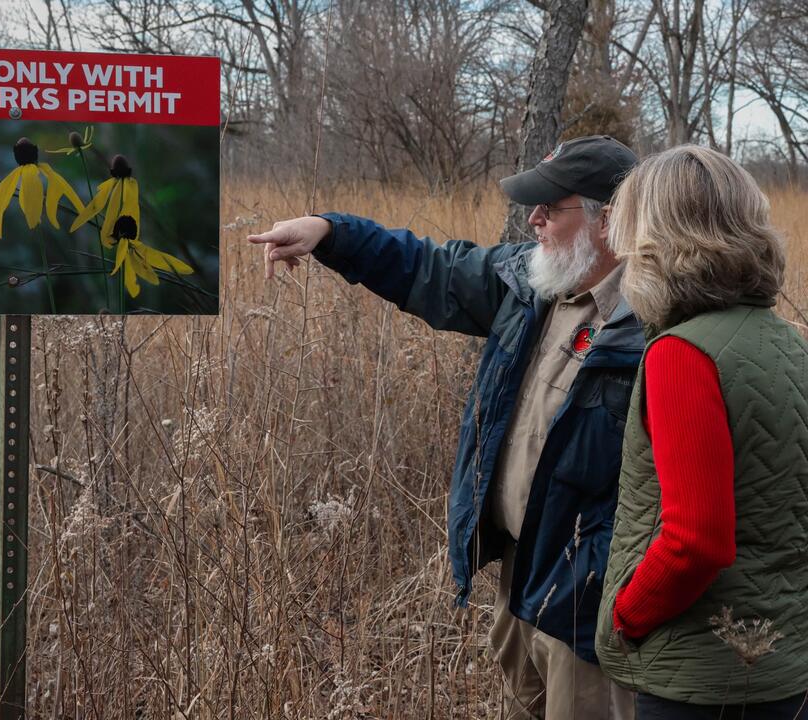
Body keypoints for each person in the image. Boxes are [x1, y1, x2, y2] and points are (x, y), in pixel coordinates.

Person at [248, 135, 641, 719]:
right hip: (523, 576)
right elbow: (432, 268)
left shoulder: (654, 324)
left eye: (551, 208)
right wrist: (331, 232)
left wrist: (602, 583)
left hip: (588, 605)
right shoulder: (531, 285)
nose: (532, 219)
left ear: (607, 221)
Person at [594, 145, 808, 719]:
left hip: (701, 678)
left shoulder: (683, 355)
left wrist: (626, 616)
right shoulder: (791, 344)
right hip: (785, 669)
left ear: (653, 238)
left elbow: (697, 541)